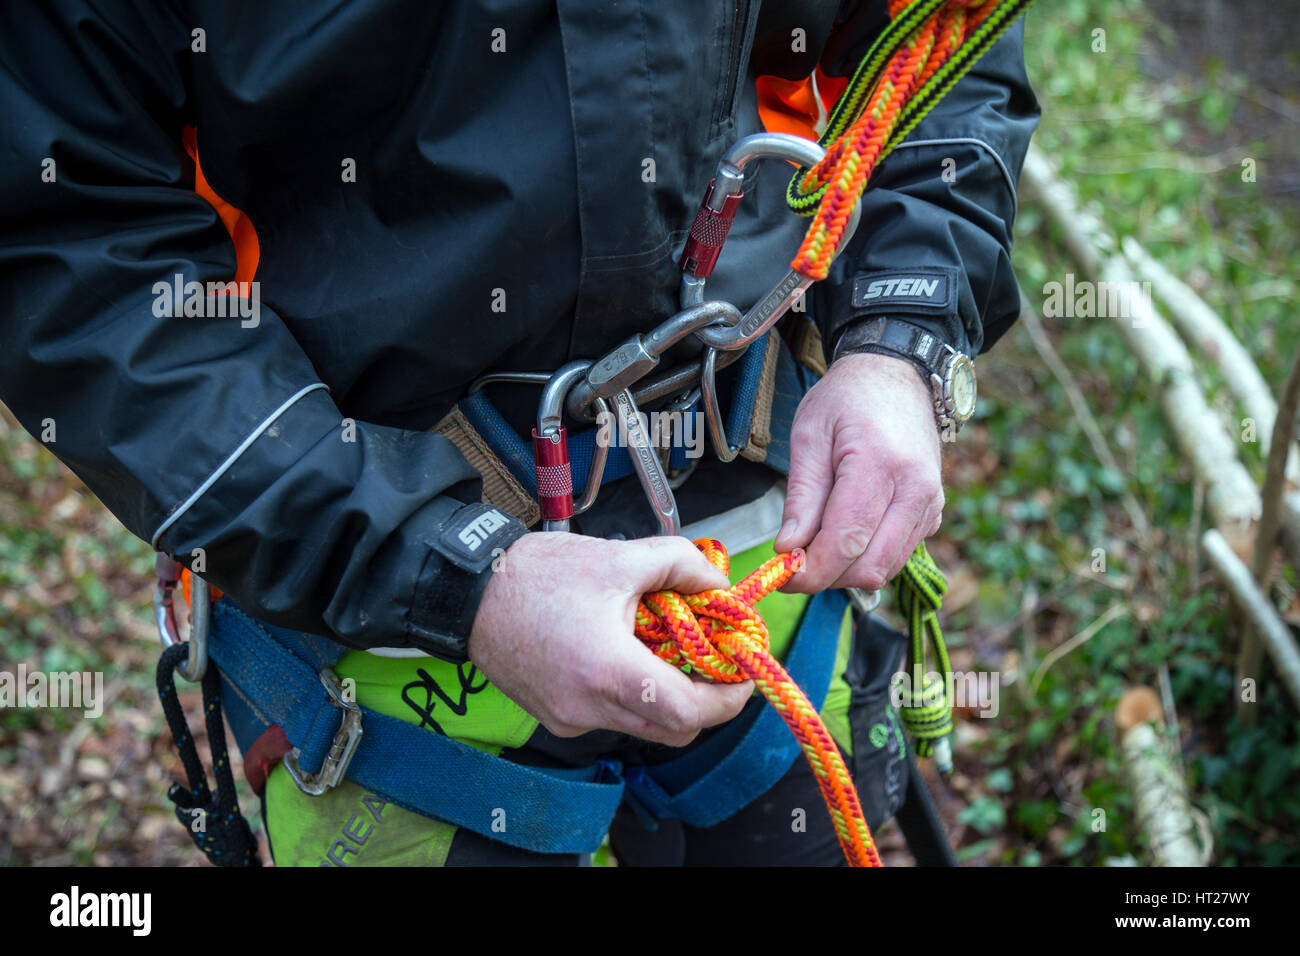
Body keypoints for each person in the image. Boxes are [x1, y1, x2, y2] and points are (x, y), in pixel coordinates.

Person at [0, 0, 1038, 866]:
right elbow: (72, 242)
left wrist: (902, 331)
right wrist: (450, 572)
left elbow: (941, 32)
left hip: (770, 585)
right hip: (377, 637)